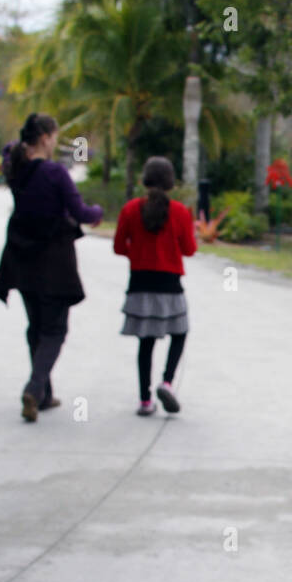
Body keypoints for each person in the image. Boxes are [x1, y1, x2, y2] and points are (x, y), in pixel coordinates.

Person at [0, 113, 103, 423]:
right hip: (52, 259)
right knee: (55, 329)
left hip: (21, 256)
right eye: (54, 137)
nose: (55, 143)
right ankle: (34, 386)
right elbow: (80, 211)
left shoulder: (15, 168)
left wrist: (22, 145)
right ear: (44, 138)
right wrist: (99, 211)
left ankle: (43, 395)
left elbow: (9, 149)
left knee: (36, 326)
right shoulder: (54, 173)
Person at [112, 157, 196, 416]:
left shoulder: (130, 209)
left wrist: (136, 253)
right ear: (171, 183)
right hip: (170, 285)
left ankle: (145, 400)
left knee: (146, 343)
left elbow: (118, 246)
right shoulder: (180, 212)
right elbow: (189, 249)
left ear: (144, 180)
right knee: (179, 333)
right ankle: (168, 382)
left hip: (139, 283)